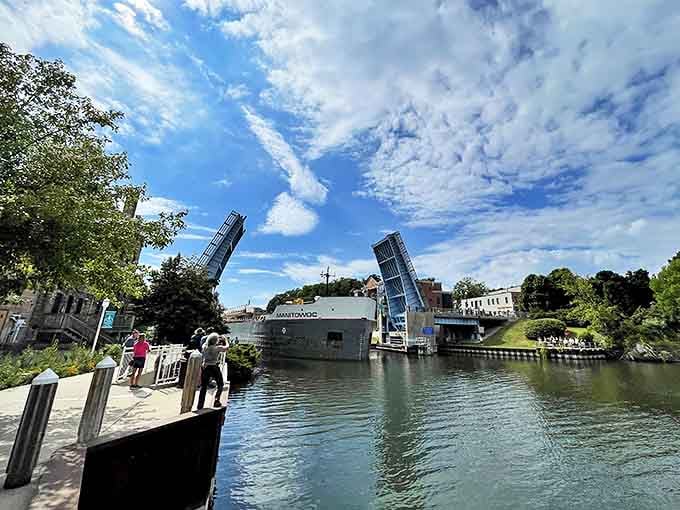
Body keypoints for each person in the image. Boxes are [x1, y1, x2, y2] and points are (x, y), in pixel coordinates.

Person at [197, 333, 228, 409]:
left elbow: (206, 342)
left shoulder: (204, 347)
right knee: (220, 384)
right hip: (214, 366)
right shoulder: (216, 348)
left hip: (205, 367)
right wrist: (225, 340)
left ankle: (200, 405)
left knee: (203, 387)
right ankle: (216, 400)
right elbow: (226, 348)